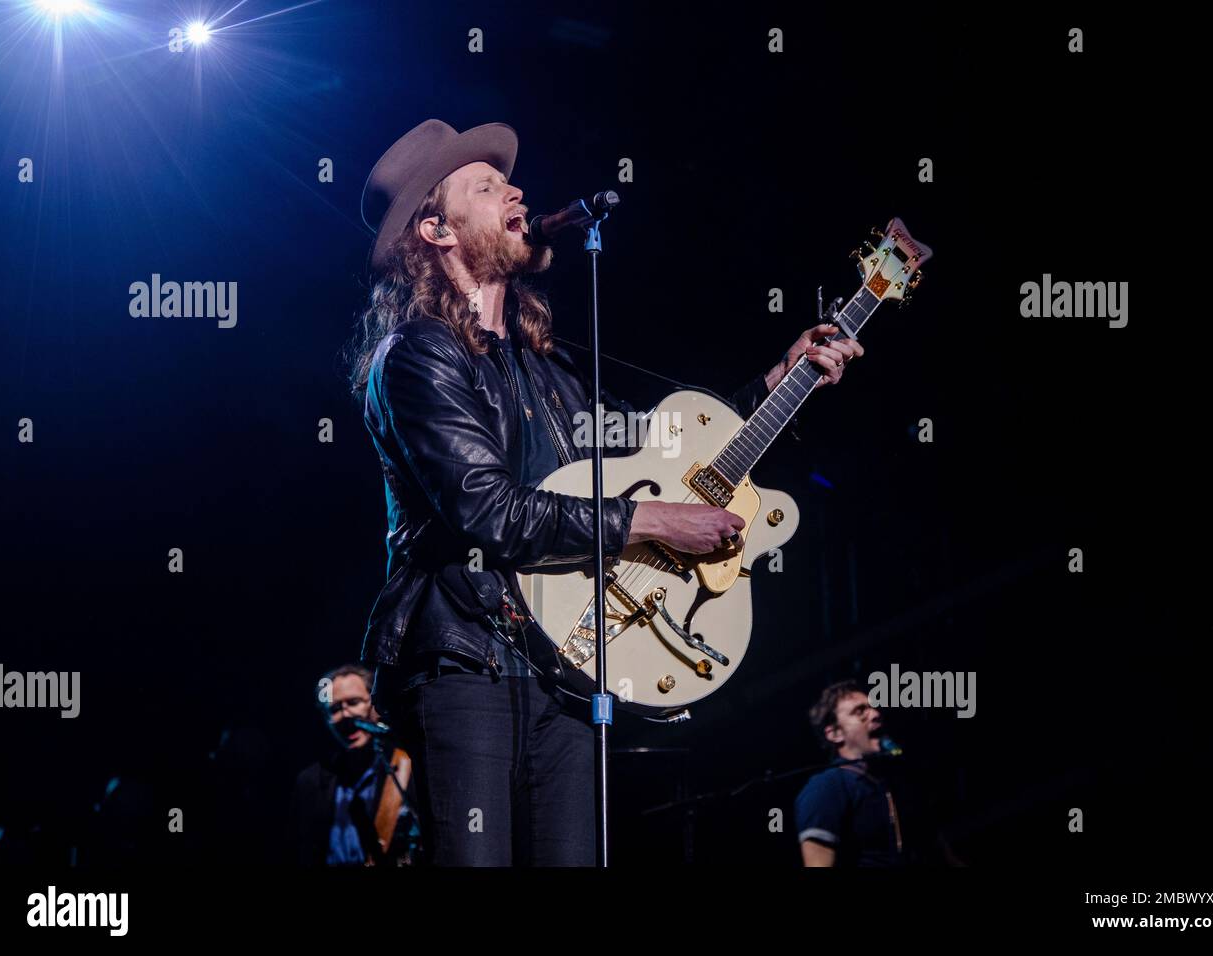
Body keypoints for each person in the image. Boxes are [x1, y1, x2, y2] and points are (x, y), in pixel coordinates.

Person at [347, 119, 863, 865]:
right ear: (436, 229)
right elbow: (488, 510)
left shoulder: (546, 371)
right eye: (485, 186)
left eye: (508, 180)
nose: (515, 189)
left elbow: (661, 453)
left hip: (563, 664)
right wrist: (654, 522)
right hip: (466, 666)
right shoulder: (419, 356)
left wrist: (778, 384)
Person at [288, 664, 416, 865]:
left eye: (354, 702)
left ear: (374, 705)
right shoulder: (310, 781)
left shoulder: (407, 768)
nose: (346, 715)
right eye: (335, 709)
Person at [794, 679, 906, 867]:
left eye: (874, 708)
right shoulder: (827, 786)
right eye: (860, 711)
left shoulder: (893, 783)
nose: (876, 714)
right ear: (835, 734)